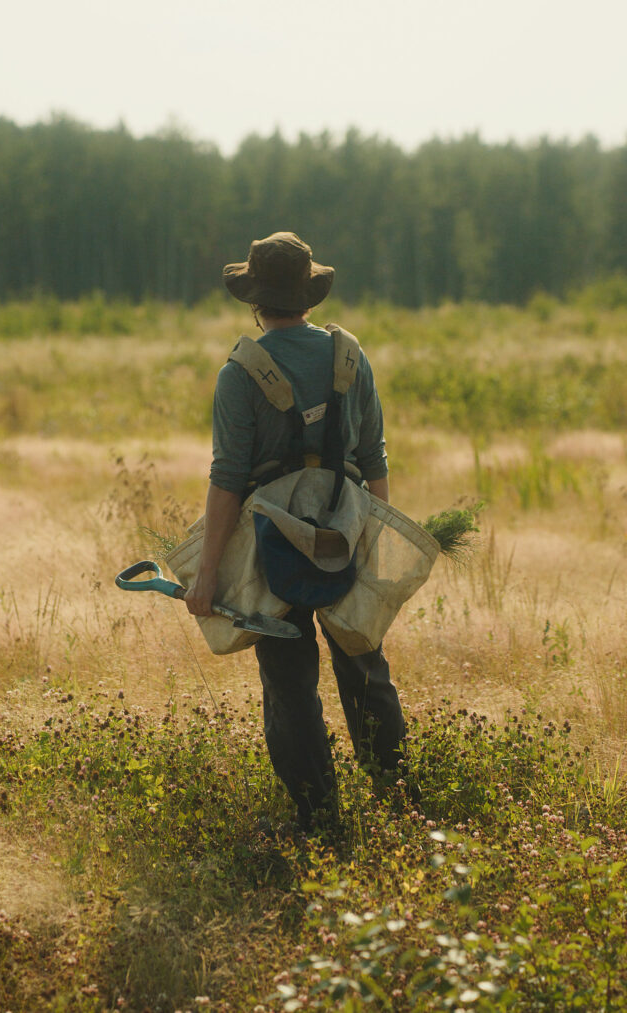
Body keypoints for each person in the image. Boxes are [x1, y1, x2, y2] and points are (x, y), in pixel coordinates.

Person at [185, 231, 415, 833]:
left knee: (289, 686)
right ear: (308, 294)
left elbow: (228, 480)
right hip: (346, 530)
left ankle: (319, 820)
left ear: (255, 300)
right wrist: (373, 539)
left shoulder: (240, 373)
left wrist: (208, 575)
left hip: (273, 550)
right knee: (365, 667)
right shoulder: (349, 355)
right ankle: (397, 802)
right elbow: (374, 456)